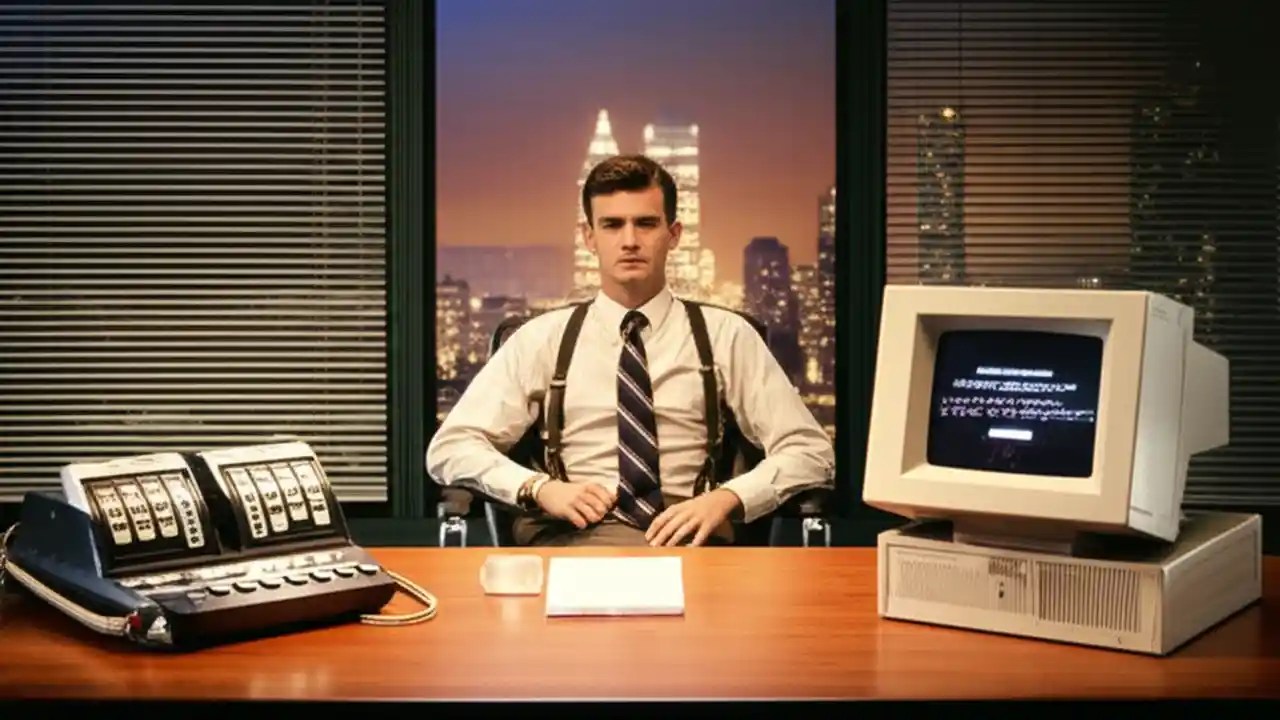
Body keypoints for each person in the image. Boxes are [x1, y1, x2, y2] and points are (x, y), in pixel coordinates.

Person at [426, 154, 835, 547]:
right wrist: (539, 488)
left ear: (673, 235)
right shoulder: (540, 339)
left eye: (645, 223)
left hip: (696, 541)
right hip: (574, 539)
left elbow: (810, 451)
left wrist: (728, 498)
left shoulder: (727, 335)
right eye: (611, 225)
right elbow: (450, 448)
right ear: (589, 237)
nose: (629, 241)